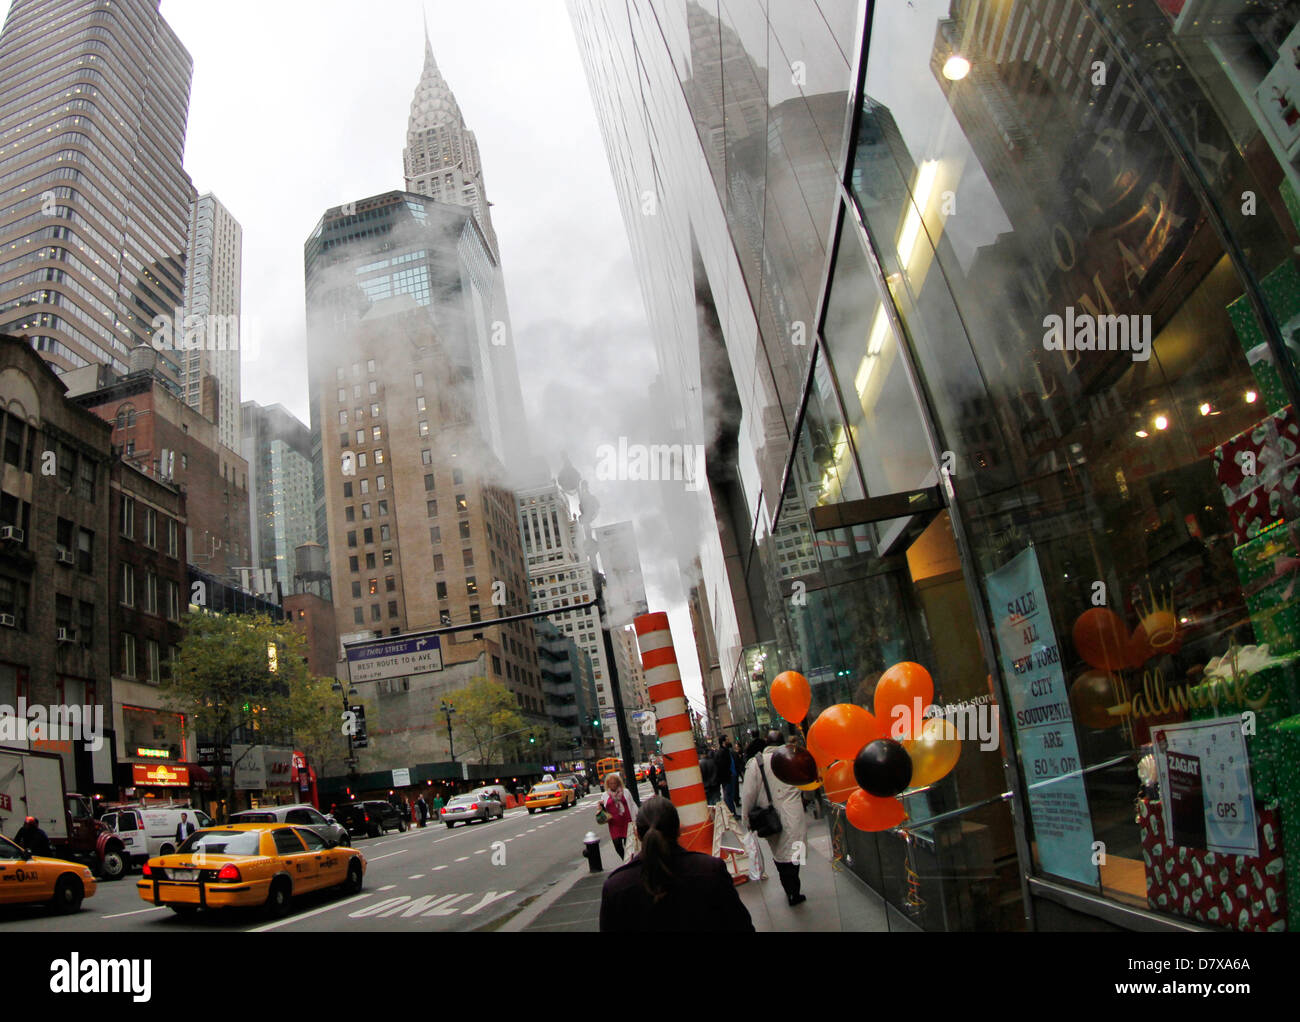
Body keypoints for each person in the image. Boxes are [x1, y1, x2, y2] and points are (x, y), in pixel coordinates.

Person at [600, 796, 753, 932]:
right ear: (679, 829)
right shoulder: (710, 870)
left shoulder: (616, 887)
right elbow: (740, 925)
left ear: (637, 834)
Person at [741, 729, 808, 906]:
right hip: (795, 812)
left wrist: (745, 818)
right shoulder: (794, 758)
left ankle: (791, 890)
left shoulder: (757, 762)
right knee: (796, 852)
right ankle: (795, 889)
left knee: (780, 854)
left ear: (766, 742)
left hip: (772, 816)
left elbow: (748, 793)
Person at [599, 771, 638, 860]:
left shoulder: (626, 792)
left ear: (618, 783)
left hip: (627, 821)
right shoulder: (605, 795)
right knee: (617, 845)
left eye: (615, 783)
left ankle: (629, 862)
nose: (613, 785)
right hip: (614, 824)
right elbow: (603, 808)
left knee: (629, 846)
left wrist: (636, 820)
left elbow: (632, 804)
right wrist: (600, 807)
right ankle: (626, 860)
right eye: (611, 783)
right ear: (608, 784)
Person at [718, 736, 741, 817]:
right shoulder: (722, 752)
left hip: (730, 776)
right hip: (728, 778)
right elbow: (723, 766)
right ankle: (732, 813)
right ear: (723, 742)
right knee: (729, 796)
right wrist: (730, 773)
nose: (729, 741)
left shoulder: (725, 751)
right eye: (727, 740)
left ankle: (732, 813)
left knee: (729, 796)